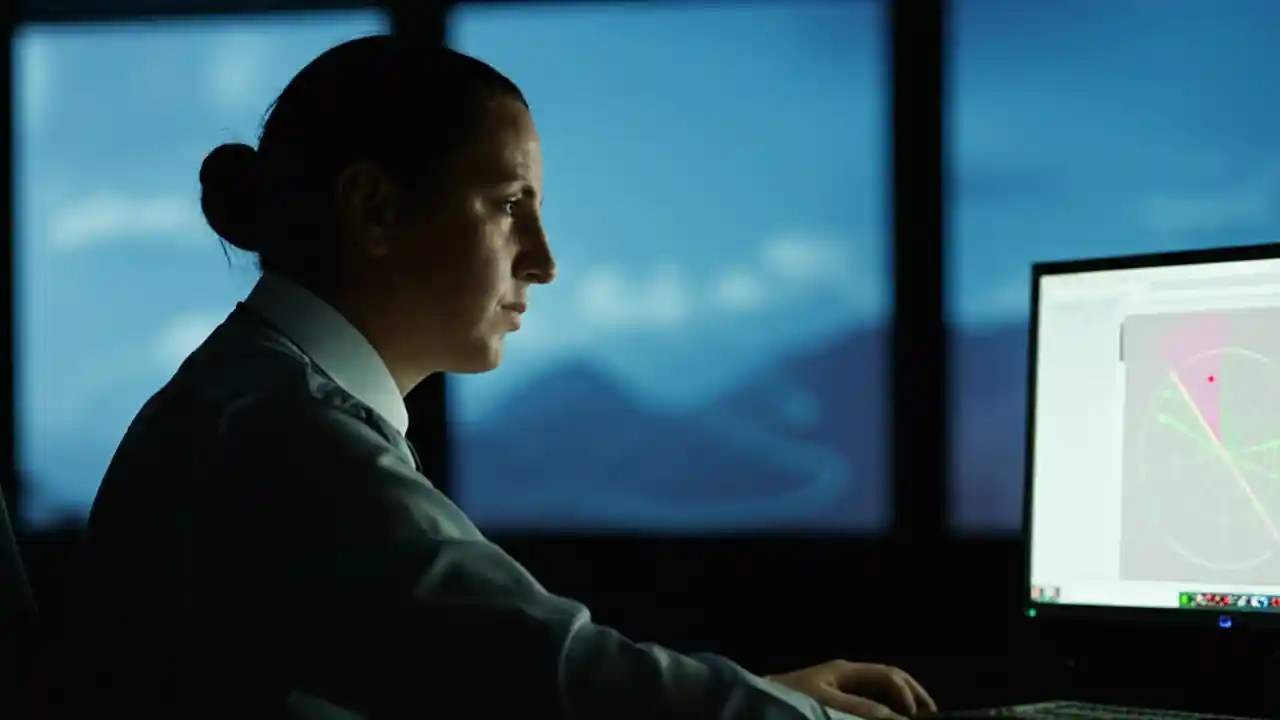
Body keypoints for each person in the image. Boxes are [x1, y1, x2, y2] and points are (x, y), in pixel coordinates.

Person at [40, 34, 937, 719]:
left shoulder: (256, 397)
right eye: (510, 207)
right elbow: (558, 680)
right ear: (376, 210)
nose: (542, 261)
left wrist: (763, 694)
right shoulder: (289, 436)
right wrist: (795, 712)